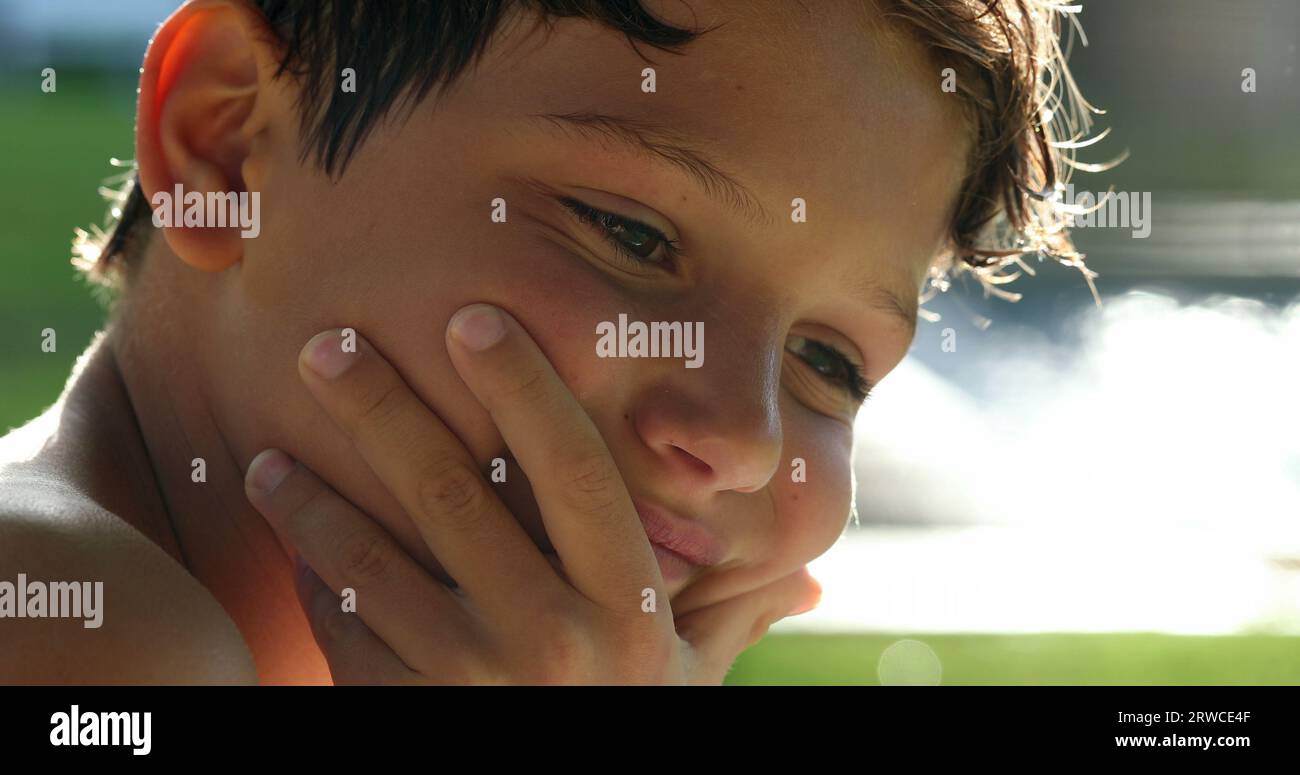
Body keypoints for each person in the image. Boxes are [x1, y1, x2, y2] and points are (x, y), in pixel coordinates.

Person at [0, 0, 1094, 684]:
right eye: (630, 234)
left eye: (830, 363)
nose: (744, 438)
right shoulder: (73, 615)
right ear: (227, 145)